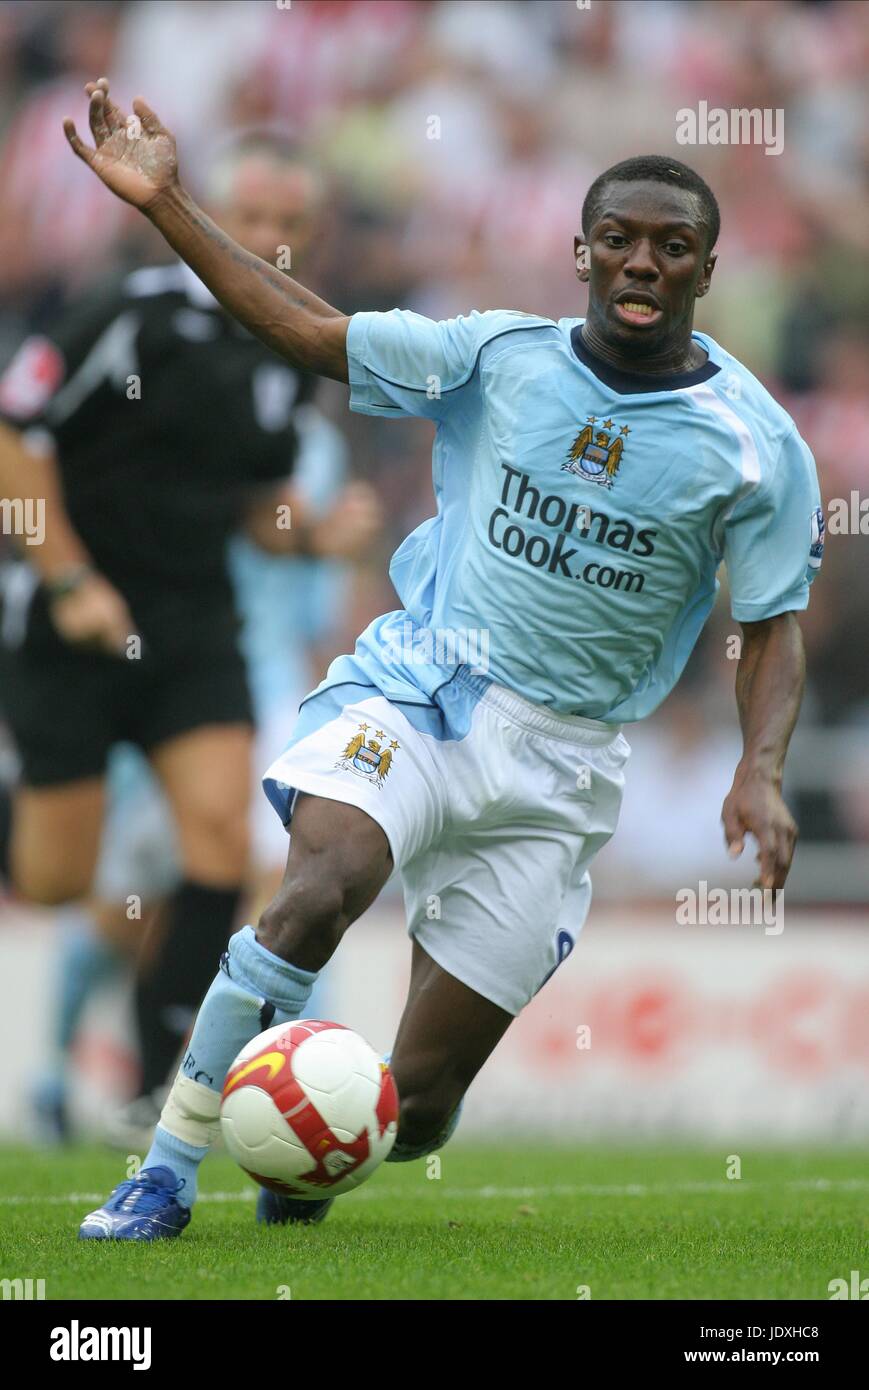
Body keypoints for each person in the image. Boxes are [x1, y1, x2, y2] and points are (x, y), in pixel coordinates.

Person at [66, 81, 821, 1240]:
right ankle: (162, 1173)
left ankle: (311, 1152)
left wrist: (758, 768)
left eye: (671, 247)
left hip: (562, 767)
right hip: (425, 690)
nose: (640, 262)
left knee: (412, 1112)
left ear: (705, 270)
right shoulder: (495, 357)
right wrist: (167, 204)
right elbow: (310, 330)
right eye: (616, 238)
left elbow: (769, 624)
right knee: (317, 888)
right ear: (578, 251)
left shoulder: (754, 445)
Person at [0, 128, 380, 1137]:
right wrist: (69, 579)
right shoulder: (126, 311)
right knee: (54, 879)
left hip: (195, 624)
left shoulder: (290, 344)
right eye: (249, 215)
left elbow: (259, 506)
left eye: (288, 223)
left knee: (221, 840)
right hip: (72, 621)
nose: (267, 237)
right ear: (205, 211)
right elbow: (12, 434)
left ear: (313, 234)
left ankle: (158, 1087)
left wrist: (312, 536)